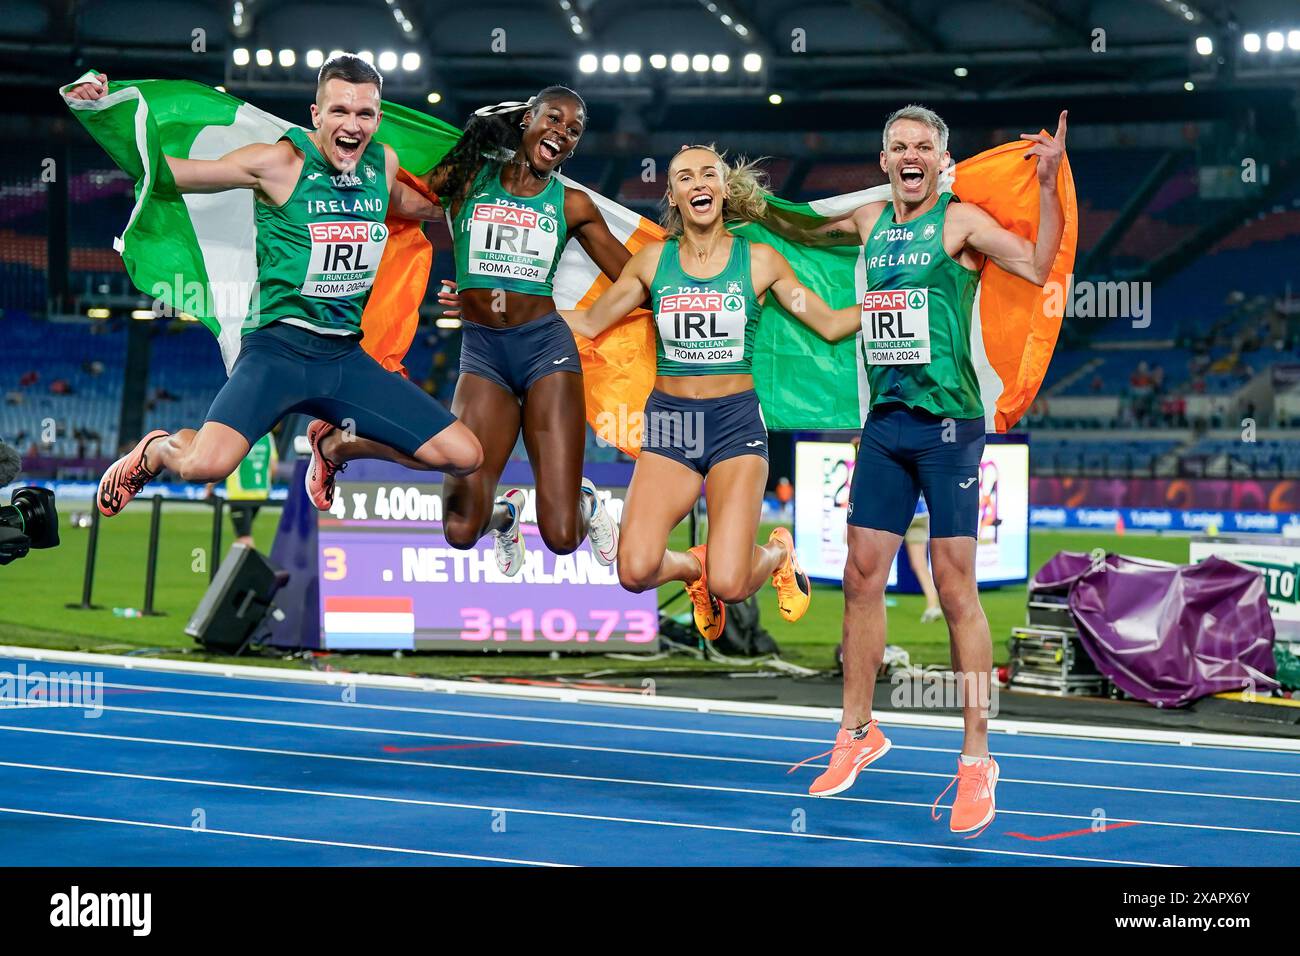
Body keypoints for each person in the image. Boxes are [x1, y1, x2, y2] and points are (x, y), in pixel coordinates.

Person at [796, 105, 1068, 835]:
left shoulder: (961, 224)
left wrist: (1045, 183)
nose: (909, 156)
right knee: (860, 573)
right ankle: (857, 731)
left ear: (940, 160)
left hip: (949, 428)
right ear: (883, 159)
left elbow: (1039, 264)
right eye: (898, 147)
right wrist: (735, 206)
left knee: (954, 585)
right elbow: (795, 227)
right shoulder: (867, 220)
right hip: (885, 423)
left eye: (923, 147)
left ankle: (976, 756)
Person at [70, 56, 482, 518]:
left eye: (364, 114)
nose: (352, 124)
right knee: (204, 467)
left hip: (344, 358)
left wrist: (490, 169)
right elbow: (168, 175)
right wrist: (107, 113)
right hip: (275, 353)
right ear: (316, 115)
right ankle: (157, 451)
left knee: (464, 456)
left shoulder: (381, 165)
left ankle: (334, 448)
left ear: (378, 119)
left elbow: (420, 206)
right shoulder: (278, 162)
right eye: (339, 111)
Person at [304, 85, 623, 577]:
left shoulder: (574, 204)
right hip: (485, 359)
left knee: (561, 536)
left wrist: (704, 269)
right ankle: (506, 514)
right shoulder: (471, 178)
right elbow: (401, 196)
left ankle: (586, 503)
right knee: (459, 530)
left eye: (574, 130)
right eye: (553, 119)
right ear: (527, 119)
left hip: (546, 355)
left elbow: (634, 276)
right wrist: (473, 137)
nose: (561, 133)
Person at [563, 145, 861, 638]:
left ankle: (778, 553)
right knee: (634, 570)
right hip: (670, 425)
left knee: (733, 583)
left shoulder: (761, 262)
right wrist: (498, 311)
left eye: (708, 175)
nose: (698, 184)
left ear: (723, 190)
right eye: (685, 177)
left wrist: (891, 302)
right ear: (674, 196)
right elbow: (591, 321)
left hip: (734, 425)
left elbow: (827, 324)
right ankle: (693, 567)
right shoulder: (652, 262)